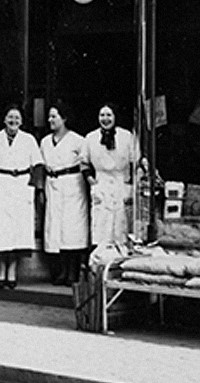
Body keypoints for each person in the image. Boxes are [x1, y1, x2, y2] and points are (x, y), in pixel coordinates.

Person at [0, 105, 42, 289]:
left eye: (17, 118)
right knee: (1, 229)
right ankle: (1, 269)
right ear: (4, 120)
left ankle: (12, 269)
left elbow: (38, 165)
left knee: (18, 230)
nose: (13, 121)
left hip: (21, 185)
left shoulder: (28, 140)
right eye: (10, 117)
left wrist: (31, 185)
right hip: (1, 185)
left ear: (22, 121)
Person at [41, 102, 90, 285]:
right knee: (56, 228)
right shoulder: (45, 142)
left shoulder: (78, 140)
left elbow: (86, 163)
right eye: (49, 116)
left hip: (72, 185)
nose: (50, 120)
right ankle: (60, 271)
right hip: (53, 183)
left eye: (54, 116)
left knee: (72, 229)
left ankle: (72, 272)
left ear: (64, 118)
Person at [82, 102, 139, 249]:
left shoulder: (126, 136)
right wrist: (92, 181)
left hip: (122, 184)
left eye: (109, 115)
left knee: (122, 230)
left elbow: (135, 161)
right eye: (102, 115)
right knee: (101, 230)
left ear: (115, 117)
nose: (105, 119)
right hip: (101, 185)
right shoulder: (91, 138)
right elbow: (84, 163)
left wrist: (130, 183)